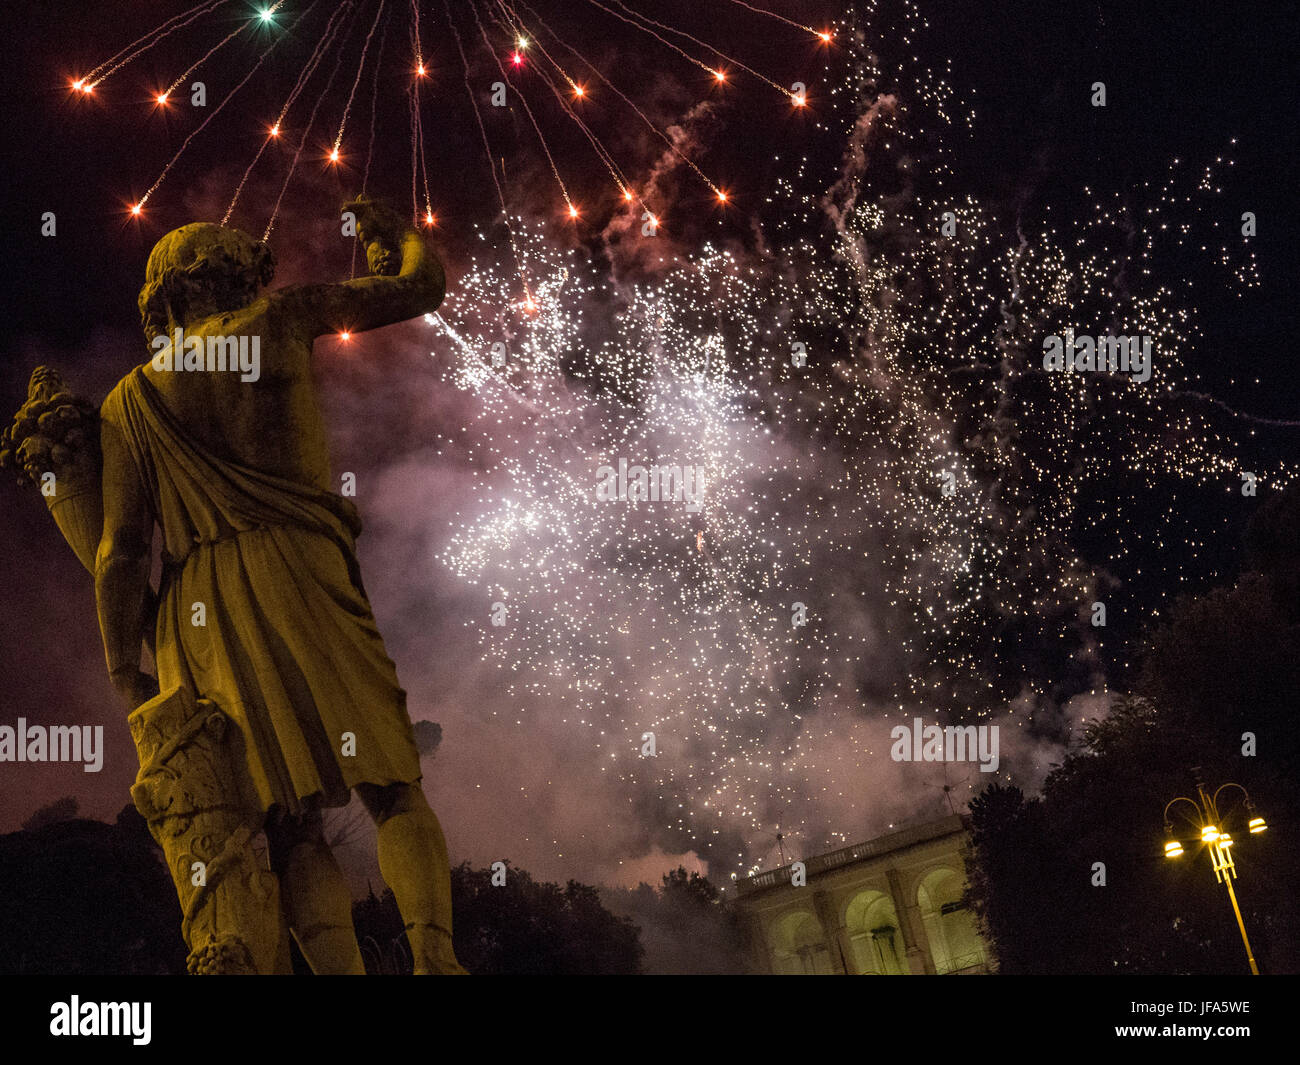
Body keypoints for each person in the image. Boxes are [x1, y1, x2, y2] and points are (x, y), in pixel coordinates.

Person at [95, 199, 465, 974]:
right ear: (236, 275)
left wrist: (124, 667)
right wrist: (394, 234)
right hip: (303, 569)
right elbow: (420, 286)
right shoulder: (282, 320)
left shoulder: (128, 402)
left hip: (202, 609)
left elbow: (122, 551)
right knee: (391, 782)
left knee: (289, 819)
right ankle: (436, 959)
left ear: (164, 297)